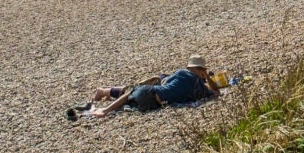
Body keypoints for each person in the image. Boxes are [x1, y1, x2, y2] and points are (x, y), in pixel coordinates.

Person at [74, 61, 220, 119]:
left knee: (130, 91)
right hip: (153, 104)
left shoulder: (183, 73)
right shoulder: (200, 88)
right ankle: (103, 98)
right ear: (202, 71)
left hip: (150, 93)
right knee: (129, 100)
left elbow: (164, 81)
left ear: (190, 67)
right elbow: (216, 93)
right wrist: (206, 77)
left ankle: (104, 102)